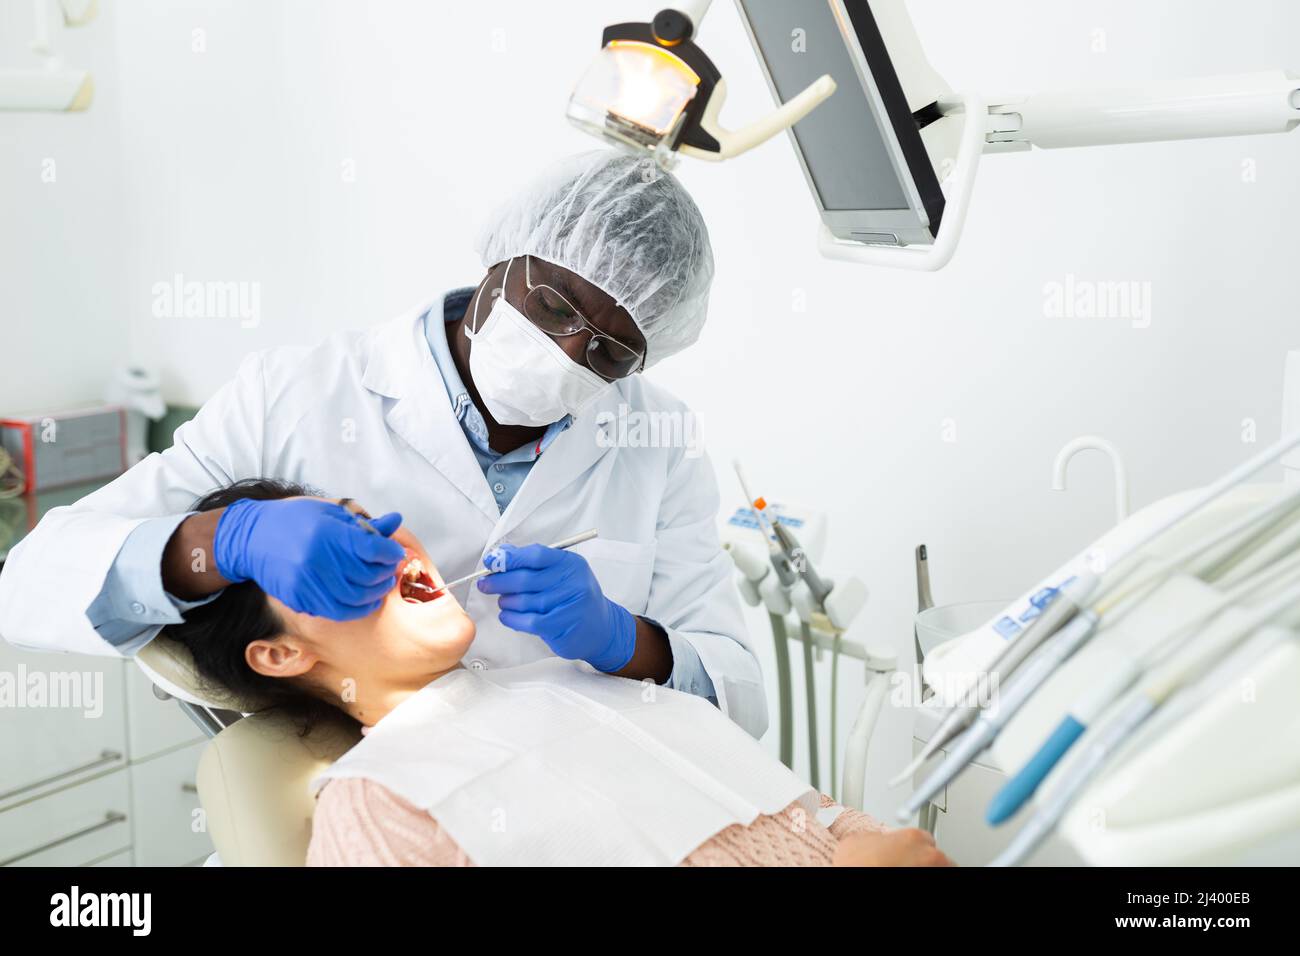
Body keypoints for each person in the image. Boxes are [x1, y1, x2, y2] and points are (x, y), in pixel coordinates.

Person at [0, 151, 766, 736]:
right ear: (503, 256)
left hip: (581, 793)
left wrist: (623, 639)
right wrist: (221, 542)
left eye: (608, 351)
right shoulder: (298, 394)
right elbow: (29, 583)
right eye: (555, 304)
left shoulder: (656, 441)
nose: (569, 352)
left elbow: (742, 692)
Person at [165, 479, 951, 868]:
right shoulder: (376, 806)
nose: (386, 545)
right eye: (336, 556)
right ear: (278, 654)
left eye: (367, 521)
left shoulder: (580, 681)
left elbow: (805, 810)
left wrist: (883, 844)